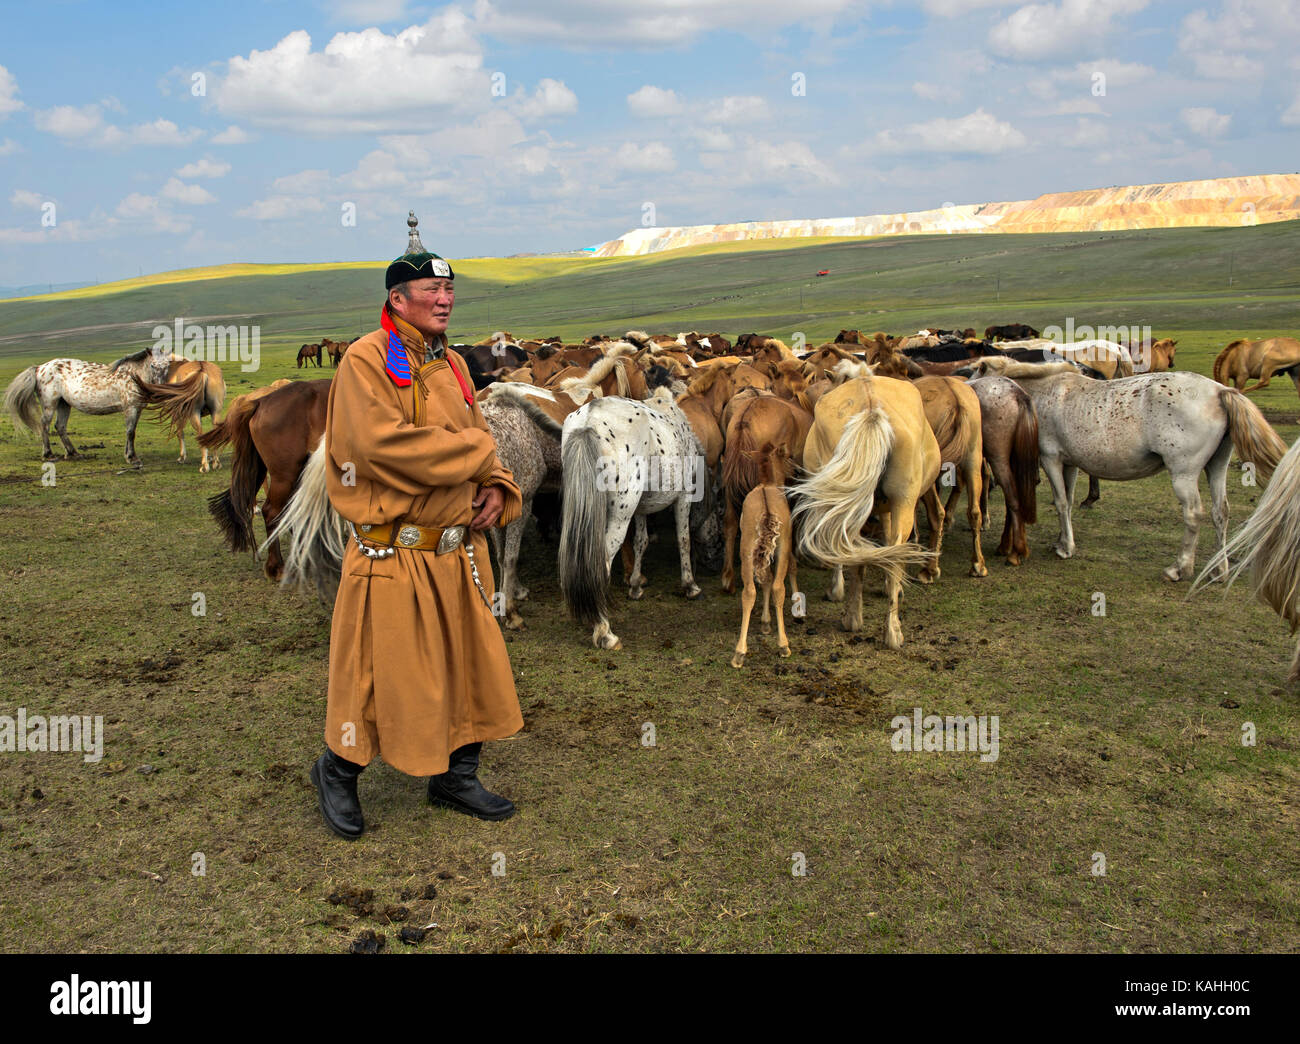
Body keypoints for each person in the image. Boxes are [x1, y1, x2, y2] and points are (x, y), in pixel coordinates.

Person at [310, 214, 524, 839]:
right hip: (392, 555)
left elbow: (476, 435)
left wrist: (499, 485)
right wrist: (479, 461)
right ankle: (337, 770)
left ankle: (455, 779)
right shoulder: (366, 360)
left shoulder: (452, 364)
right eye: (430, 292)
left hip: (459, 551)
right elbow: (383, 447)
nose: (444, 299)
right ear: (396, 300)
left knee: (467, 667)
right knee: (373, 675)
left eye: (449, 291)